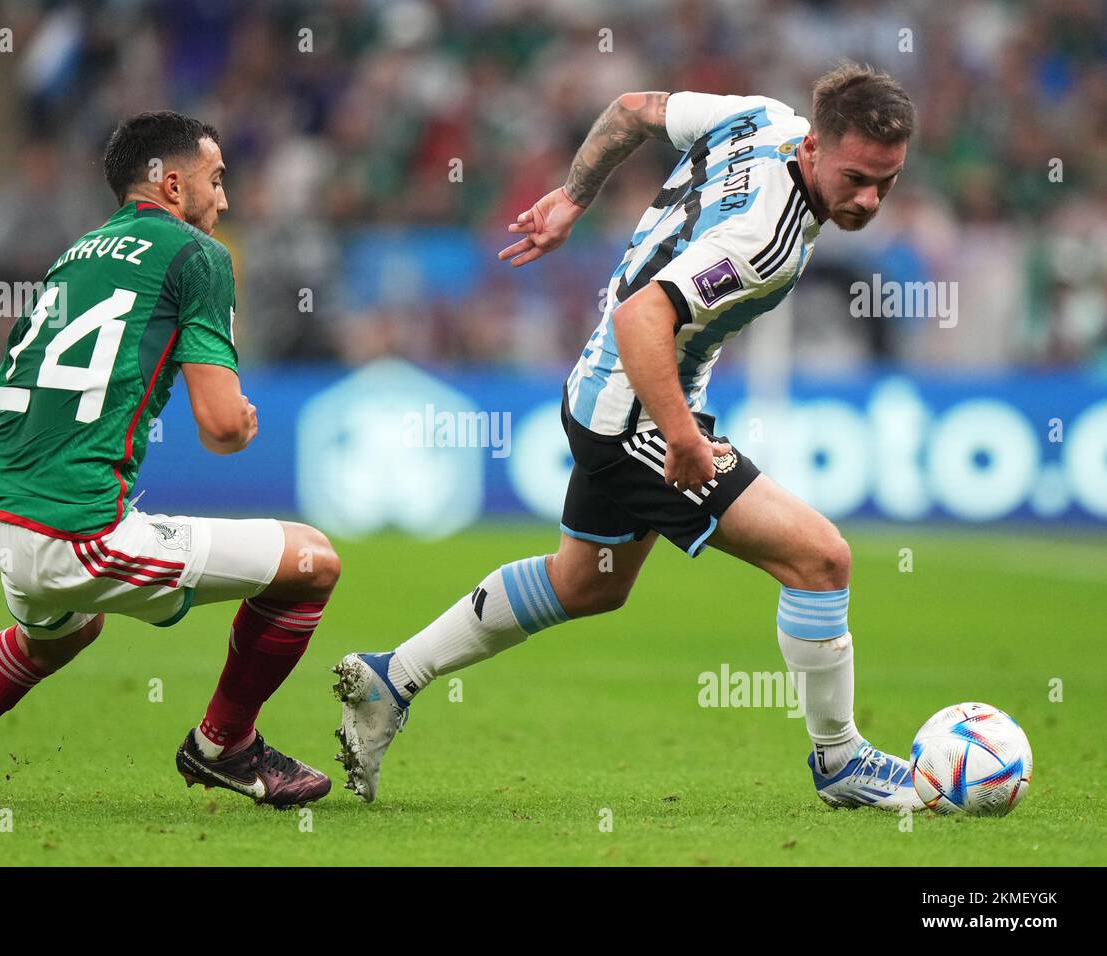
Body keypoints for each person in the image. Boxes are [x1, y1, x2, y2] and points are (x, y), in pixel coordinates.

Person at [335, 63, 924, 811]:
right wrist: (681, 439)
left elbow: (631, 109)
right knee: (820, 559)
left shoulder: (757, 118)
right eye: (856, 177)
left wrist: (572, 197)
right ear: (813, 147)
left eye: (887, 182)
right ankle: (840, 762)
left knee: (588, 583)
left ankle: (391, 679)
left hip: (607, 392)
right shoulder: (764, 238)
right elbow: (641, 318)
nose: (869, 199)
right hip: (636, 413)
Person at [0, 111, 335, 809]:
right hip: (71, 530)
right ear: (173, 185)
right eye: (216, 179)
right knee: (313, 562)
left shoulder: (78, 251)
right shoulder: (199, 257)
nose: (224, 199)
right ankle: (224, 746)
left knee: (60, 635)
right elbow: (221, 427)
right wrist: (242, 421)